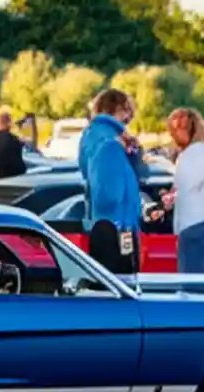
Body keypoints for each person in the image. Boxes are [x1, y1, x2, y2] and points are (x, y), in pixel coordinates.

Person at [78, 89, 146, 273]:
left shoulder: (93, 137)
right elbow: (109, 194)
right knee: (124, 282)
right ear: (120, 109)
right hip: (118, 226)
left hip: (104, 225)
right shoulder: (111, 144)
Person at [162, 108, 204, 274]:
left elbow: (181, 189)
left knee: (191, 286)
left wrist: (165, 199)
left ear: (185, 129)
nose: (172, 136)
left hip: (194, 227)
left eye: (173, 130)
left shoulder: (191, 154)